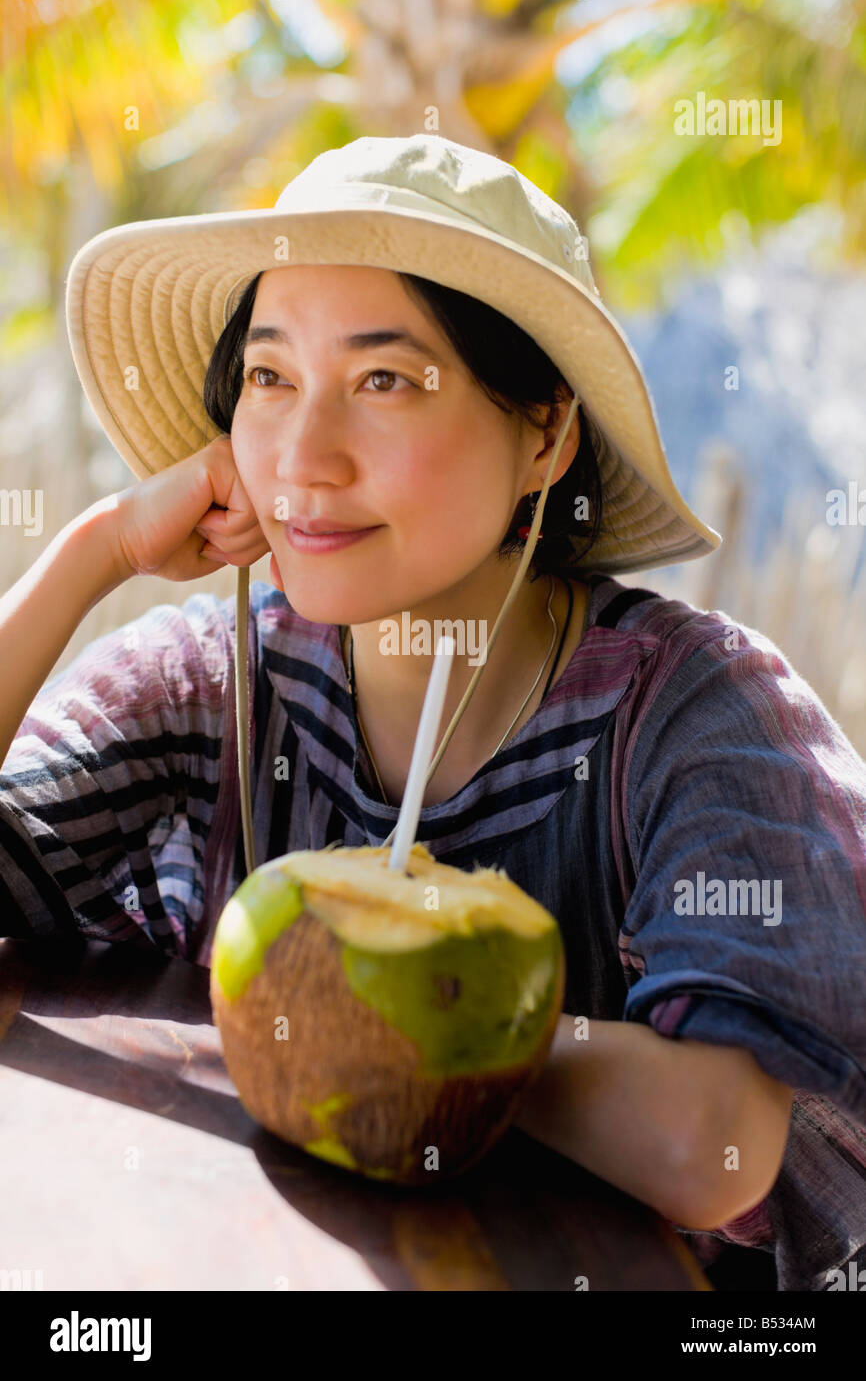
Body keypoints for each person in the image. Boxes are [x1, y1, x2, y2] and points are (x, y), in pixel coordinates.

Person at [1, 134, 864, 1293]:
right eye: (269, 377)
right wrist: (91, 553)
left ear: (545, 434)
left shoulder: (696, 710)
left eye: (384, 379)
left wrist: (363, 1027)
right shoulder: (211, 682)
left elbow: (707, 1139)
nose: (302, 459)